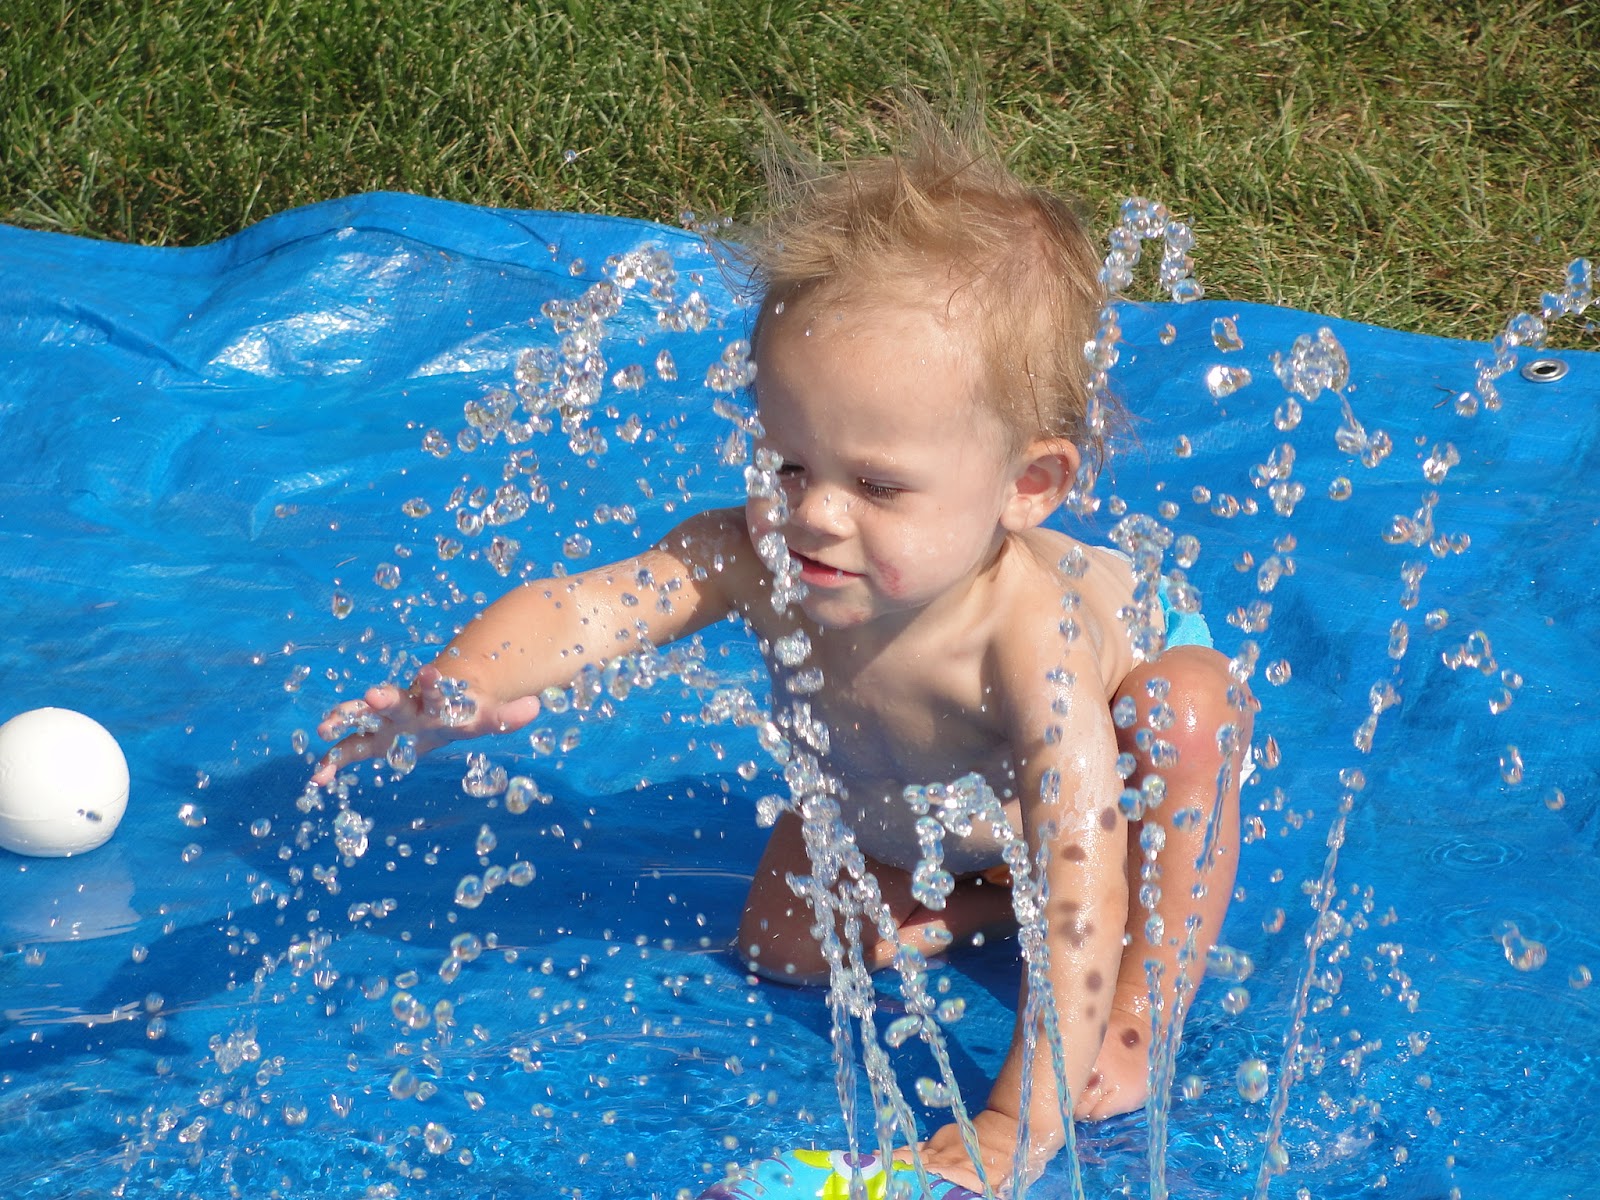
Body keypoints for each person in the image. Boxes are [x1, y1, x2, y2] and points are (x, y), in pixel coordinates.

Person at [315, 100, 1251, 1193]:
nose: (815, 516)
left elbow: (1084, 872)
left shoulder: (1023, 637)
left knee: (1185, 716)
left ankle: (1145, 1005)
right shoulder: (761, 560)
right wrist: (460, 688)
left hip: (1102, 794)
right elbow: (593, 605)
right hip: (939, 823)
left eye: (877, 485)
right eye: (788, 462)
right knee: (781, 948)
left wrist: (1016, 1123)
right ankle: (979, 899)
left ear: (1026, 486)